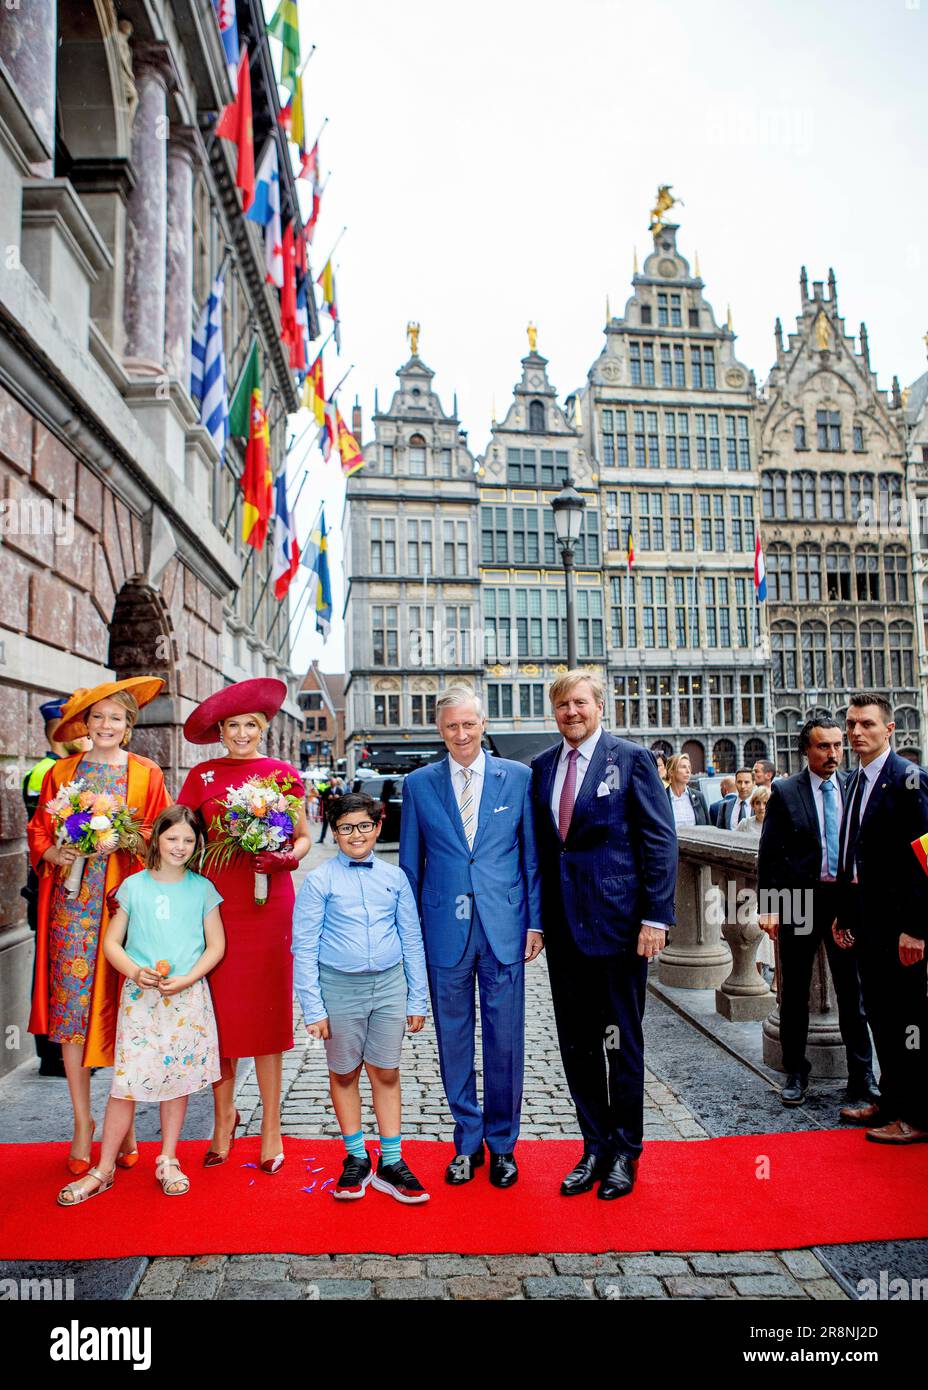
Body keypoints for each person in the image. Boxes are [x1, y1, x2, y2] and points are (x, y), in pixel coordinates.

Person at [530, 671, 677, 1200]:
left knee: (623, 1043)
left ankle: (625, 1152)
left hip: (619, 929)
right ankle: (592, 1146)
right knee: (578, 1044)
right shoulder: (543, 767)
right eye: (563, 705)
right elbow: (546, 852)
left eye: (580, 703)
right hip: (565, 931)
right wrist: (537, 919)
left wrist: (656, 918)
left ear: (599, 707)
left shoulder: (632, 760)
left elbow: (660, 841)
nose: (572, 712)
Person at [399, 685, 543, 1188]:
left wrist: (535, 922)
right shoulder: (418, 785)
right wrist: (410, 935)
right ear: (440, 731)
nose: (461, 734)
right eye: (451, 726)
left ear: (483, 725)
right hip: (444, 932)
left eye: (469, 724)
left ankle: (503, 1145)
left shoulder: (519, 779)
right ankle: (467, 1141)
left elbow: (531, 860)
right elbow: (410, 868)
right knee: (453, 1040)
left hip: (505, 931)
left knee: (505, 1041)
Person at [27, 678, 170, 1176]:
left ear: (129, 728)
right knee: (72, 1012)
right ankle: (82, 1120)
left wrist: (124, 838)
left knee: (120, 1010)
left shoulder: (146, 773)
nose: (106, 725)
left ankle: (122, 1121)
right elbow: (41, 828)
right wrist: (53, 850)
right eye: (98, 717)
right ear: (84, 725)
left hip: (123, 907)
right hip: (71, 908)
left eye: (116, 718)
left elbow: (158, 833)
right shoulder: (62, 772)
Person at [56, 806, 225, 1205]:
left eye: (187, 840)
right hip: (141, 998)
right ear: (156, 840)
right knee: (126, 1082)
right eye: (171, 838)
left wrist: (189, 977)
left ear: (197, 844)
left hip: (186, 996)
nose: (179, 846)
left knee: (177, 1079)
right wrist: (133, 972)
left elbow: (216, 944)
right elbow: (112, 942)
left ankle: (168, 1158)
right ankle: (105, 1167)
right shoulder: (134, 887)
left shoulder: (203, 889)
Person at [178, 679, 312, 1173]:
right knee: (222, 1017)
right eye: (231, 726)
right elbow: (183, 837)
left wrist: (285, 860)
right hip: (216, 906)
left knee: (268, 1016)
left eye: (249, 725)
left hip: (270, 905)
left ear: (263, 729)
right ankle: (223, 1119)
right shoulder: (203, 776)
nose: (240, 733)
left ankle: (272, 1127)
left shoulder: (281, 774)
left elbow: (302, 837)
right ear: (220, 732)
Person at [293, 793, 430, 1203]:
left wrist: (416, 999)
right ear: (334, 833)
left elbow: (411, 938)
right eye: (346, 828)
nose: (357, 835)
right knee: (345, 1073)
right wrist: (313, 1008)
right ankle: (356, 1157)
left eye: (364, 826)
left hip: (389, 987)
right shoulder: (320, 881)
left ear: (378, 827)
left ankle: (391, 1160)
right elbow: (304, 946)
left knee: (386, 1072)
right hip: (339, 988)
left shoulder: (395, 878)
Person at [757, 718, 875, 1109]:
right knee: (794, 993)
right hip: (799, 901)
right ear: (806, 750)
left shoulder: (854, 786)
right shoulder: (786, 791)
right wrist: (771, 906)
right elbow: (769, 854)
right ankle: (795, 1072)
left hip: (844, 901)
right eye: (824, 747)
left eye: (838, 746)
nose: (833, 754)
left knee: (852, 991)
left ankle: (862, 1077)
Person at [833, 694, 928, 1144]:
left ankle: (918, 1115)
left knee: (909, 1021)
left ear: (888, 730)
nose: (856, 732)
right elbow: (853, 856)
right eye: (851, 724)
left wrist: (917, 928)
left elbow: (926, 861)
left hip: (901, 929)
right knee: (881, 1018)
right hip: (868, 924)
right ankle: (890, 1102)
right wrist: (844, 915)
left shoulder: (909, 779)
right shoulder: (854, 780)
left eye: (866, 724)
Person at [22, 698, 92, 1078]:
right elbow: (41, 827)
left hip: (61, 878)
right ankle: (52, 1055)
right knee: (50, 970)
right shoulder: (48, 771)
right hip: (50, 881)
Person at [665, 753, 709, 828]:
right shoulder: (662, 797)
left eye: (689, 767)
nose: (688, 771)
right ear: (671, 772)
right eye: (683, 767)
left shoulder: (698, 796)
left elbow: (708, 826)